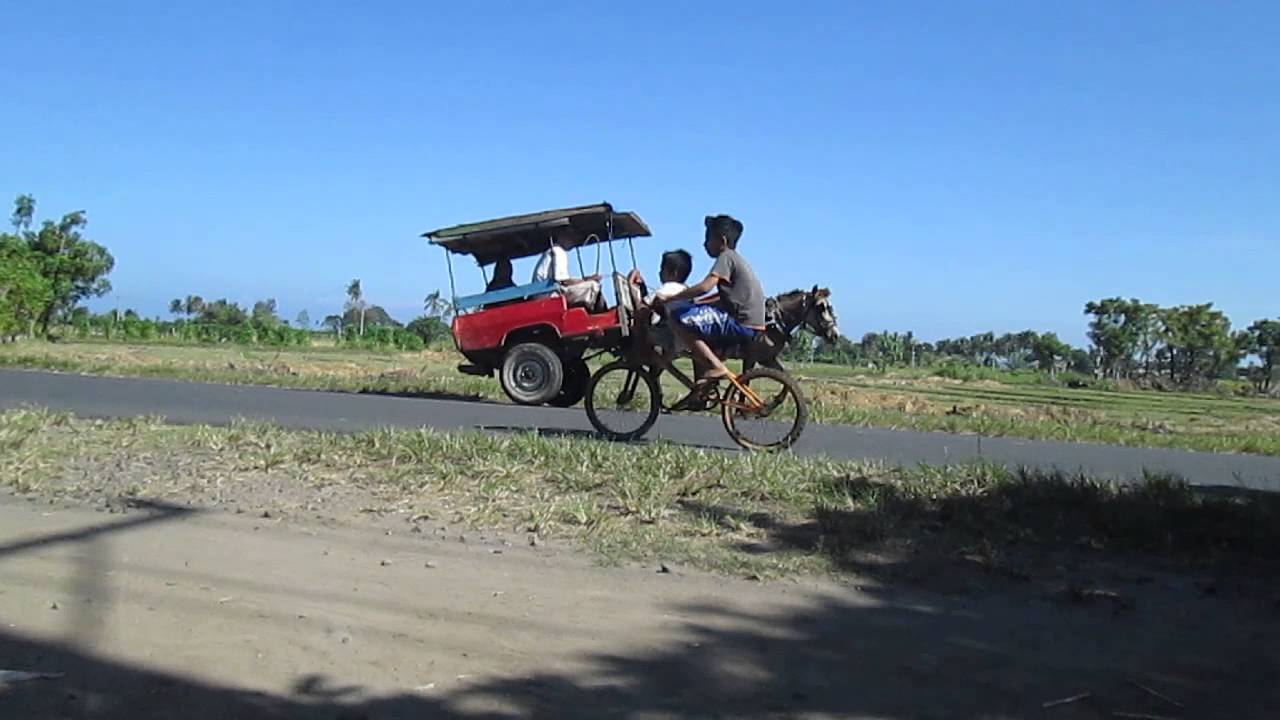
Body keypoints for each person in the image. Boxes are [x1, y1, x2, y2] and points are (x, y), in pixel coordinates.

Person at [657, 214, 766, 383]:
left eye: (708, 239)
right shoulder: (737, 260)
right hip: (751, 323)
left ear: (722, 241)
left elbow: (704, 287)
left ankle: (715, 366)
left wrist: (673, 298)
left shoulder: (726, 257)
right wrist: (698, 303)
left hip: (741, 323)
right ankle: (706, 378)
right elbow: (722, 299)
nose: (704, 244)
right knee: (695, 317)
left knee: (678, 318)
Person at [628, 249, 693, 356]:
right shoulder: (685, 289)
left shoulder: (667, 288)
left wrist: (630, 285)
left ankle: (641, 353)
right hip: (683, 337)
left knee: (641, 321)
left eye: (662, 269)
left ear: (674, 273)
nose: (659, 272)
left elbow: (641, 308)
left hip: (670, 337)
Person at [531, 231, 603, 311]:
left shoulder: (552, 251)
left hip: (543, 293)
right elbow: (564, 281)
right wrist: (585, 280)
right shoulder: (558, 251)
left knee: (588, 285)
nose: (573, 242)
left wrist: (583, 280)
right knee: (593, 285)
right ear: (562, 237)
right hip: (548, 294)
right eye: (571, 238)